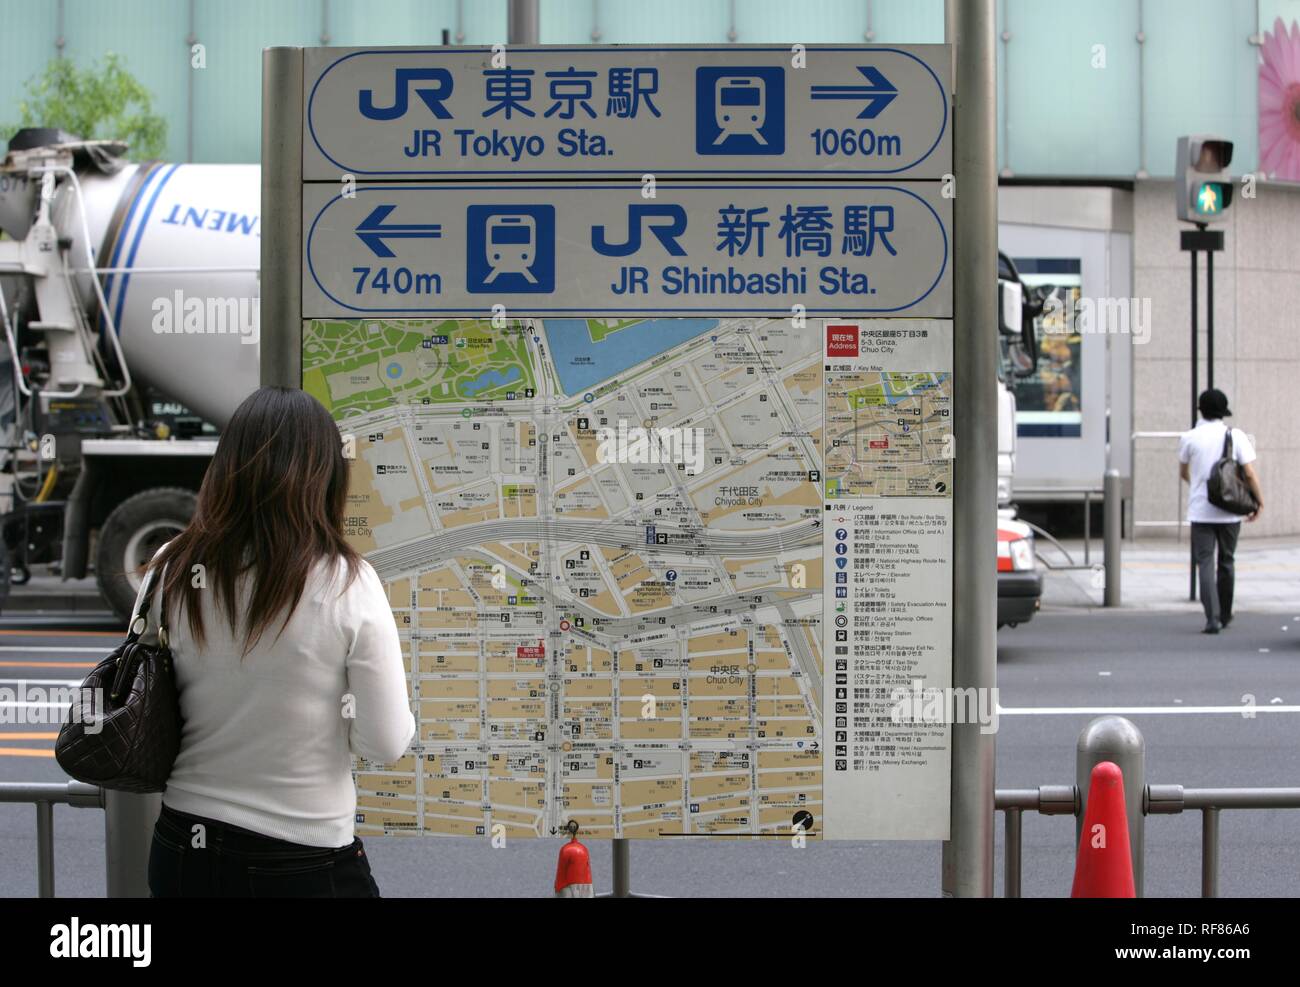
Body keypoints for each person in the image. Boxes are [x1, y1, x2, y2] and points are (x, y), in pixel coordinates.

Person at [135, 386, 415, 897]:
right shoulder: (347, 582)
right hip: (303, 859)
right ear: (326, 476)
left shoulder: (172, 564)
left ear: (227, 467)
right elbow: (386, 743)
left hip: (183, 844)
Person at [1177, 388, 1263, 634]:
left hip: (1200, 510)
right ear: (1223, 412)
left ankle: (1211, 618)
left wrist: (1198, 484)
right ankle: (1225, 614)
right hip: (1230, 511)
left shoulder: (1189, 438)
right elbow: (1249, 473)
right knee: (1226, 561)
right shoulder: (1235, 436)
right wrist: (1259, 501)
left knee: (1204, 562)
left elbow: (1183, 473)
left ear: (1200, 410)